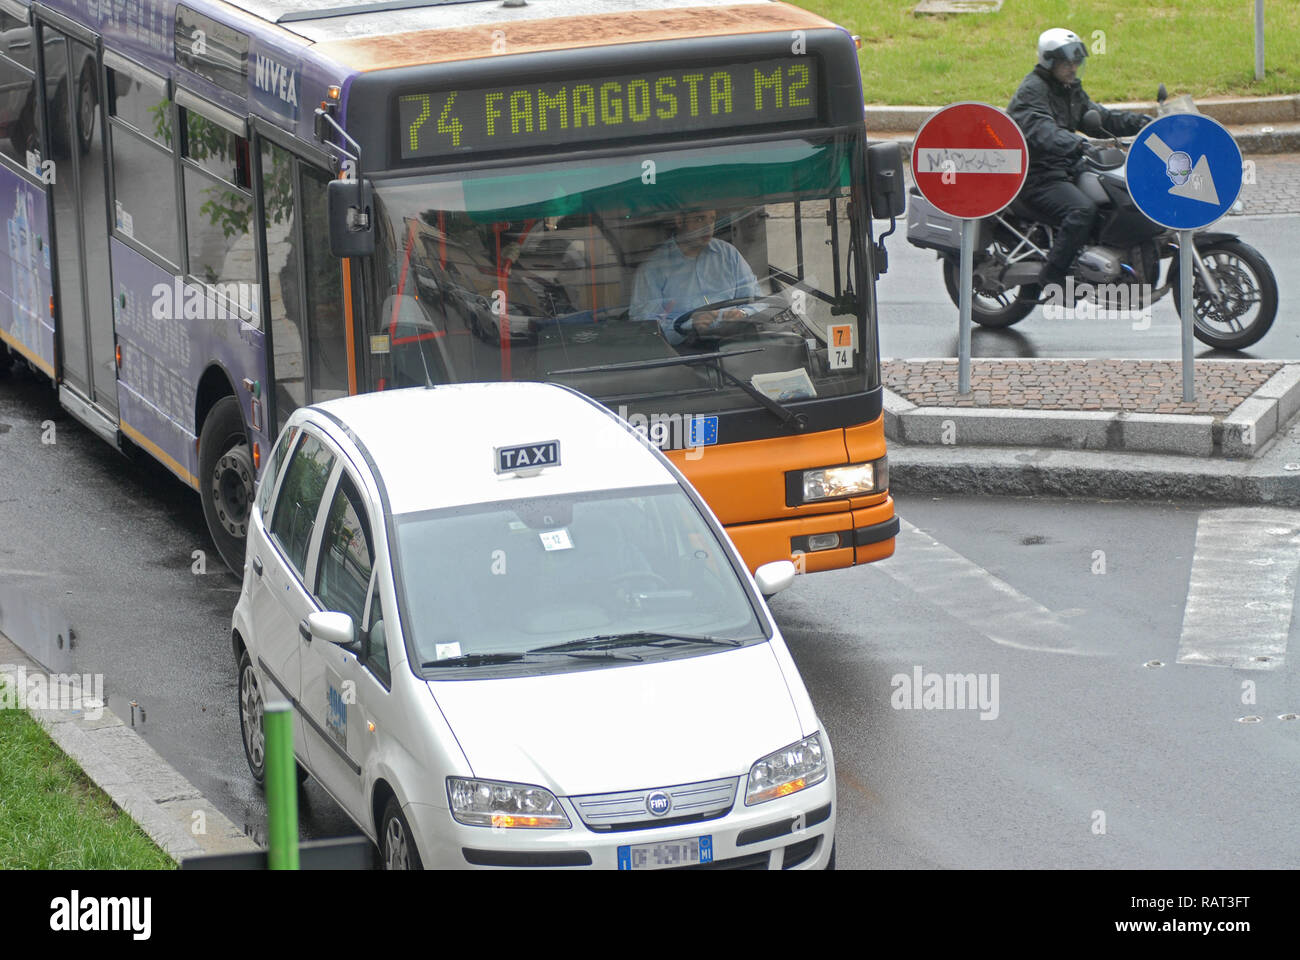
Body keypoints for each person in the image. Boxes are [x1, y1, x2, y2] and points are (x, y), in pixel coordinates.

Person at [1007, 28, 1151, 303]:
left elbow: (1098, 118)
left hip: (1068, 167)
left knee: (1113, 191)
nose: (1073, 67)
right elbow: (1041, 129)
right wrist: (1078, 144)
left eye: (1076, 62)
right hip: (1037, 174)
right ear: (1049, 62)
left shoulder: (1069, 88)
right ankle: (1052, 277)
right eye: (1067, 62)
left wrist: (1140, 122)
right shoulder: (1032, 91)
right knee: (1081, 210)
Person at [629, 209, 762, 346]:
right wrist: (688, 325)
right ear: (679, 221)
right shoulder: (654, 267)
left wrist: (742, 313)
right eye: (699, 219)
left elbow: (757, 300)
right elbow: (645, 325)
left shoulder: (729, 254)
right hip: (683, 352)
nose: (708, 227)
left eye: (712, 220)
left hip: (735, 346)